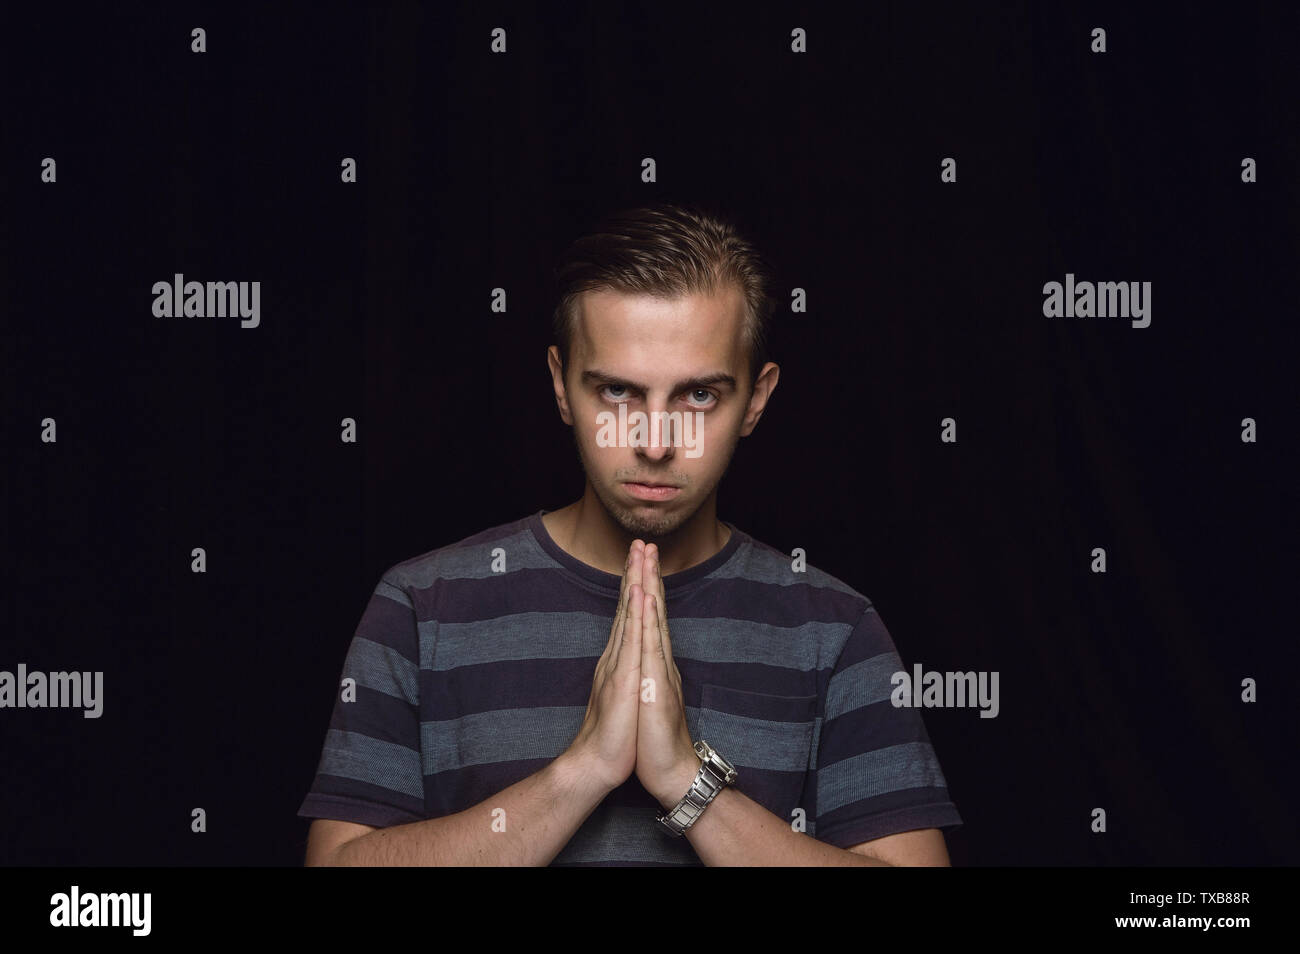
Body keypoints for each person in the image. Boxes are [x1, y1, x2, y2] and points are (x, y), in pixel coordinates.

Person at [298, 202, 962, 865]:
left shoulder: (836, 629)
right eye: (617, 391)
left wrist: (683, 779)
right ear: (561, 386)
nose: (653, 441)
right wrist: (584, 769)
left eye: (698, 396)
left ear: (756, 399)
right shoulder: (422, 606)